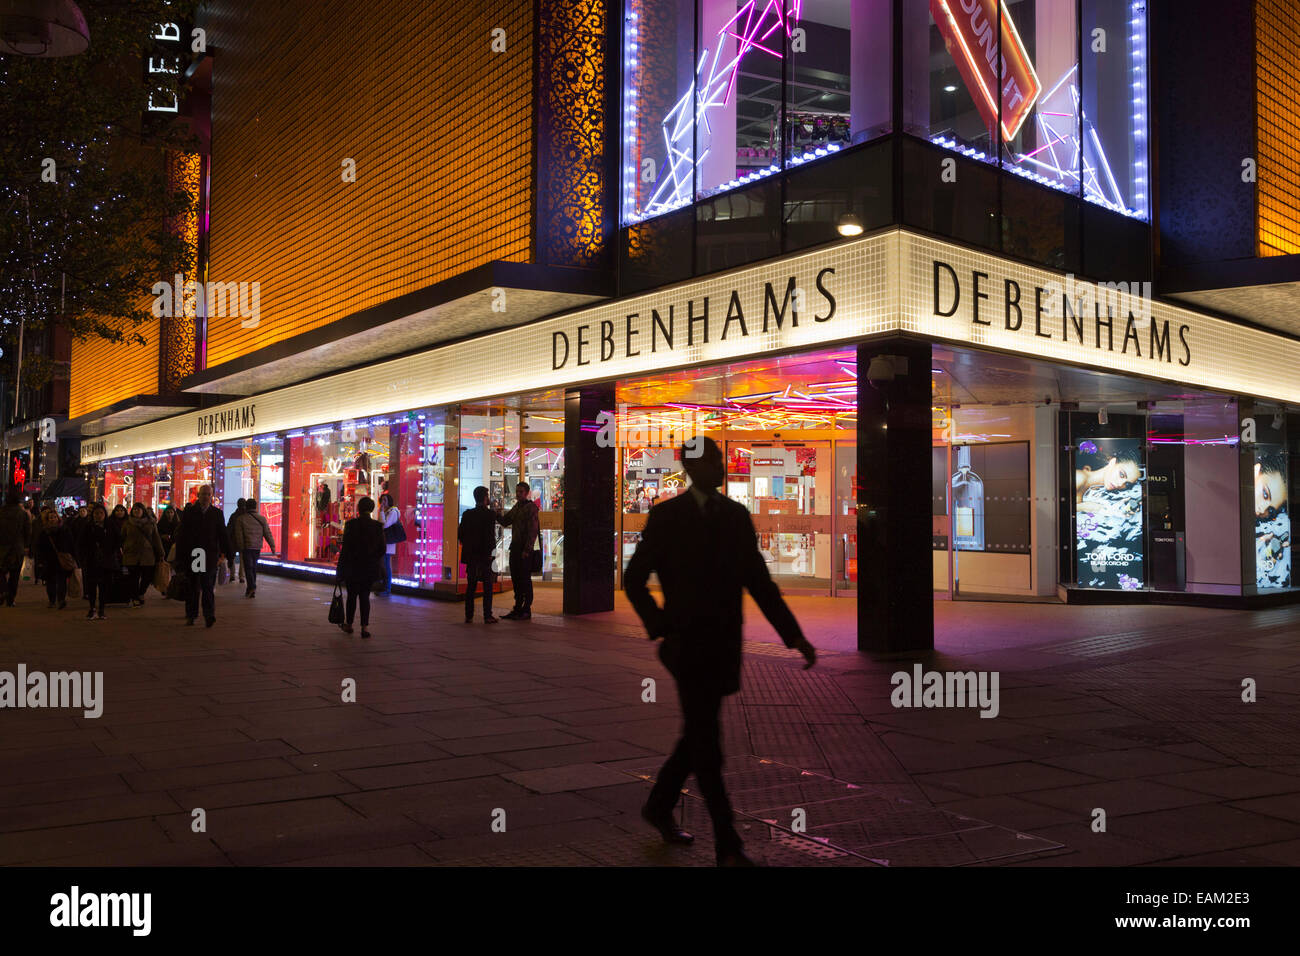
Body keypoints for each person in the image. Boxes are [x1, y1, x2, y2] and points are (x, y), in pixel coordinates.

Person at [624, 438, 816, 867]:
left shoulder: (735, 516)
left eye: (719, 460)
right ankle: (728, 844)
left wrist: (793, 635)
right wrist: (659, 626)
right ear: (693, 468)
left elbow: (760, 583)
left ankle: (659, 805)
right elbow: (634, 579)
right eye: (712, 461)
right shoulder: (666, 516)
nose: (720, 467)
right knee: (708, 744)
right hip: (686, 647)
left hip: (723, 644)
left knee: (697, 736)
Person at [176, 485, 235, 627]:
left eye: (208, 494)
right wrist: (180, 557)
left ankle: (209, 615)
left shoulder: (216, 513)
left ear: (211, 496)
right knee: (193, 587)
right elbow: (182, 536)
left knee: (208, 586)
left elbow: (223, 535)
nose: (205, 497)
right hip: (194, 555)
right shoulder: (189, 512)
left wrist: (228, 554)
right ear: (198, 495)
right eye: (203, 494)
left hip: (209, 555)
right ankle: (191, 614)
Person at [335, 496, 385, 638]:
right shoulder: (377, 526)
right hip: (369, 567)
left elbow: (345, 549)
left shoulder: (351, 525)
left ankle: (349, 624)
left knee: (351, 596)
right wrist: (373, 558)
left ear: (358, 508)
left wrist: (340, 569)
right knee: (365, 596)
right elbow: (382, 549)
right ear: (372, 509)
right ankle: (365, 627)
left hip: (353, 566)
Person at [495, 481, 540, 620]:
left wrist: (527, 549)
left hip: (523, 549)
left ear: (527, 493)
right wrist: (496, 514)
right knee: (516, 578)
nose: (518, 494)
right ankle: (518, 607)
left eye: (521, 492)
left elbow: (533, 530)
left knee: (524, 579)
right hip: (515, 547)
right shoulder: (517, 507)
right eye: (517, 491)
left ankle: (526, 609)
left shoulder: (530, 508)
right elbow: (505, 521)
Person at [458, 485, 498, 623]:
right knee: (487, 585)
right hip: (485, 555)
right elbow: (490, 537)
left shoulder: (467, 514)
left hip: (471, 555)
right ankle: (487, 615)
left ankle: (469, 615)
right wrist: (492, 553)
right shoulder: (490, 515)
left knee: (471, 585)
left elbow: (461, 534)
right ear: (485, 498)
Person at [77, 503, 122, 620]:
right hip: (91, 560)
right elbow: (81, 543)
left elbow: (118, 540)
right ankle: (92, 608)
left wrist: (112, 551)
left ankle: (102, 609)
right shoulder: (88, 526)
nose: (99, 515)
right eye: (96, 513)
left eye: (101, 513)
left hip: (107, 561)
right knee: (91, 586)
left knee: (104, 586)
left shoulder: (110, 526)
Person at [121, 502, 165, 607]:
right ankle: (135, 597)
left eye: (139, 509)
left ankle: (141, 593)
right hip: (131, 555)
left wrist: (161, 553)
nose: (136, 511)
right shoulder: (127, 523)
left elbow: (156, 539)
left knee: (147, 577)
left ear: (143, 511)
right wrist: (125, 548)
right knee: (133, 578)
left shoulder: (151, 523)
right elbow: (122, 537)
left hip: (147, 555)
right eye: (135, 509)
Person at [1075, 443, 1141, 512]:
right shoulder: (1079, 478)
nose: (1120, 484)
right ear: (1112, 462)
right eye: (1121, 475)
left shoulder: (1100, 491)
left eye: (1127, 484)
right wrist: (1083, 507)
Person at [232, 498, 275, 598]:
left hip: (247, 547)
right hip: (257, 547)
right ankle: (250, 589)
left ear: (246, 507)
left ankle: (251, 587)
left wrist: (241, 546)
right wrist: (272, 546)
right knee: (253, 567)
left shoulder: (240, 519)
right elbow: (267, 533)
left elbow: (239, 535)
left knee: (248, 568)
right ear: (255, 506)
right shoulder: (262, 518)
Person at [36, 509, 76, 610]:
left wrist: (73, 557)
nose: (53, 519)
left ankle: (61, 600)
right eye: (51, 518)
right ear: (48, 519)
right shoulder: (44, 531)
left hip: (62, 558)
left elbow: (71, 544)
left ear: (58, 518)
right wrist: (40, 560)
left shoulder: (64, 529)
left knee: (62, 580)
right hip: (49, 560)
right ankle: (52, 600)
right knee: (50, 581)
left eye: (54, 517)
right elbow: (40, 547)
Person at [0, 491, 33, 607]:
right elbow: (27, 531)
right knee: (14, 575)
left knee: (1, 571)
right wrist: (27, 545)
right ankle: (10, 598)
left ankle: (3, 590)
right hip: (17, 548)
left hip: (2, 547)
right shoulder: (22, 514)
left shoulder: (1, 512)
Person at [377, 493, 400, 595]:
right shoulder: (386, 511)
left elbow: (385, 525)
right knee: (383, 564)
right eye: (382, 500)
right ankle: (384, 587)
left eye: (385, 500)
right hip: (383, 541)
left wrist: (381, 512)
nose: (383, 502)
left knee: (386, 565)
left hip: (388, 542)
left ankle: (387, 588)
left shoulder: (393, 511)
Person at [226, 498, 247, 584]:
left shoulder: (233, 515)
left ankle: (232, 575)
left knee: (232, 557)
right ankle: (241, 576)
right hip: (243, 540)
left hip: (233, 540)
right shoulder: (246, 516)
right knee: (243, 559)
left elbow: (229, 528)